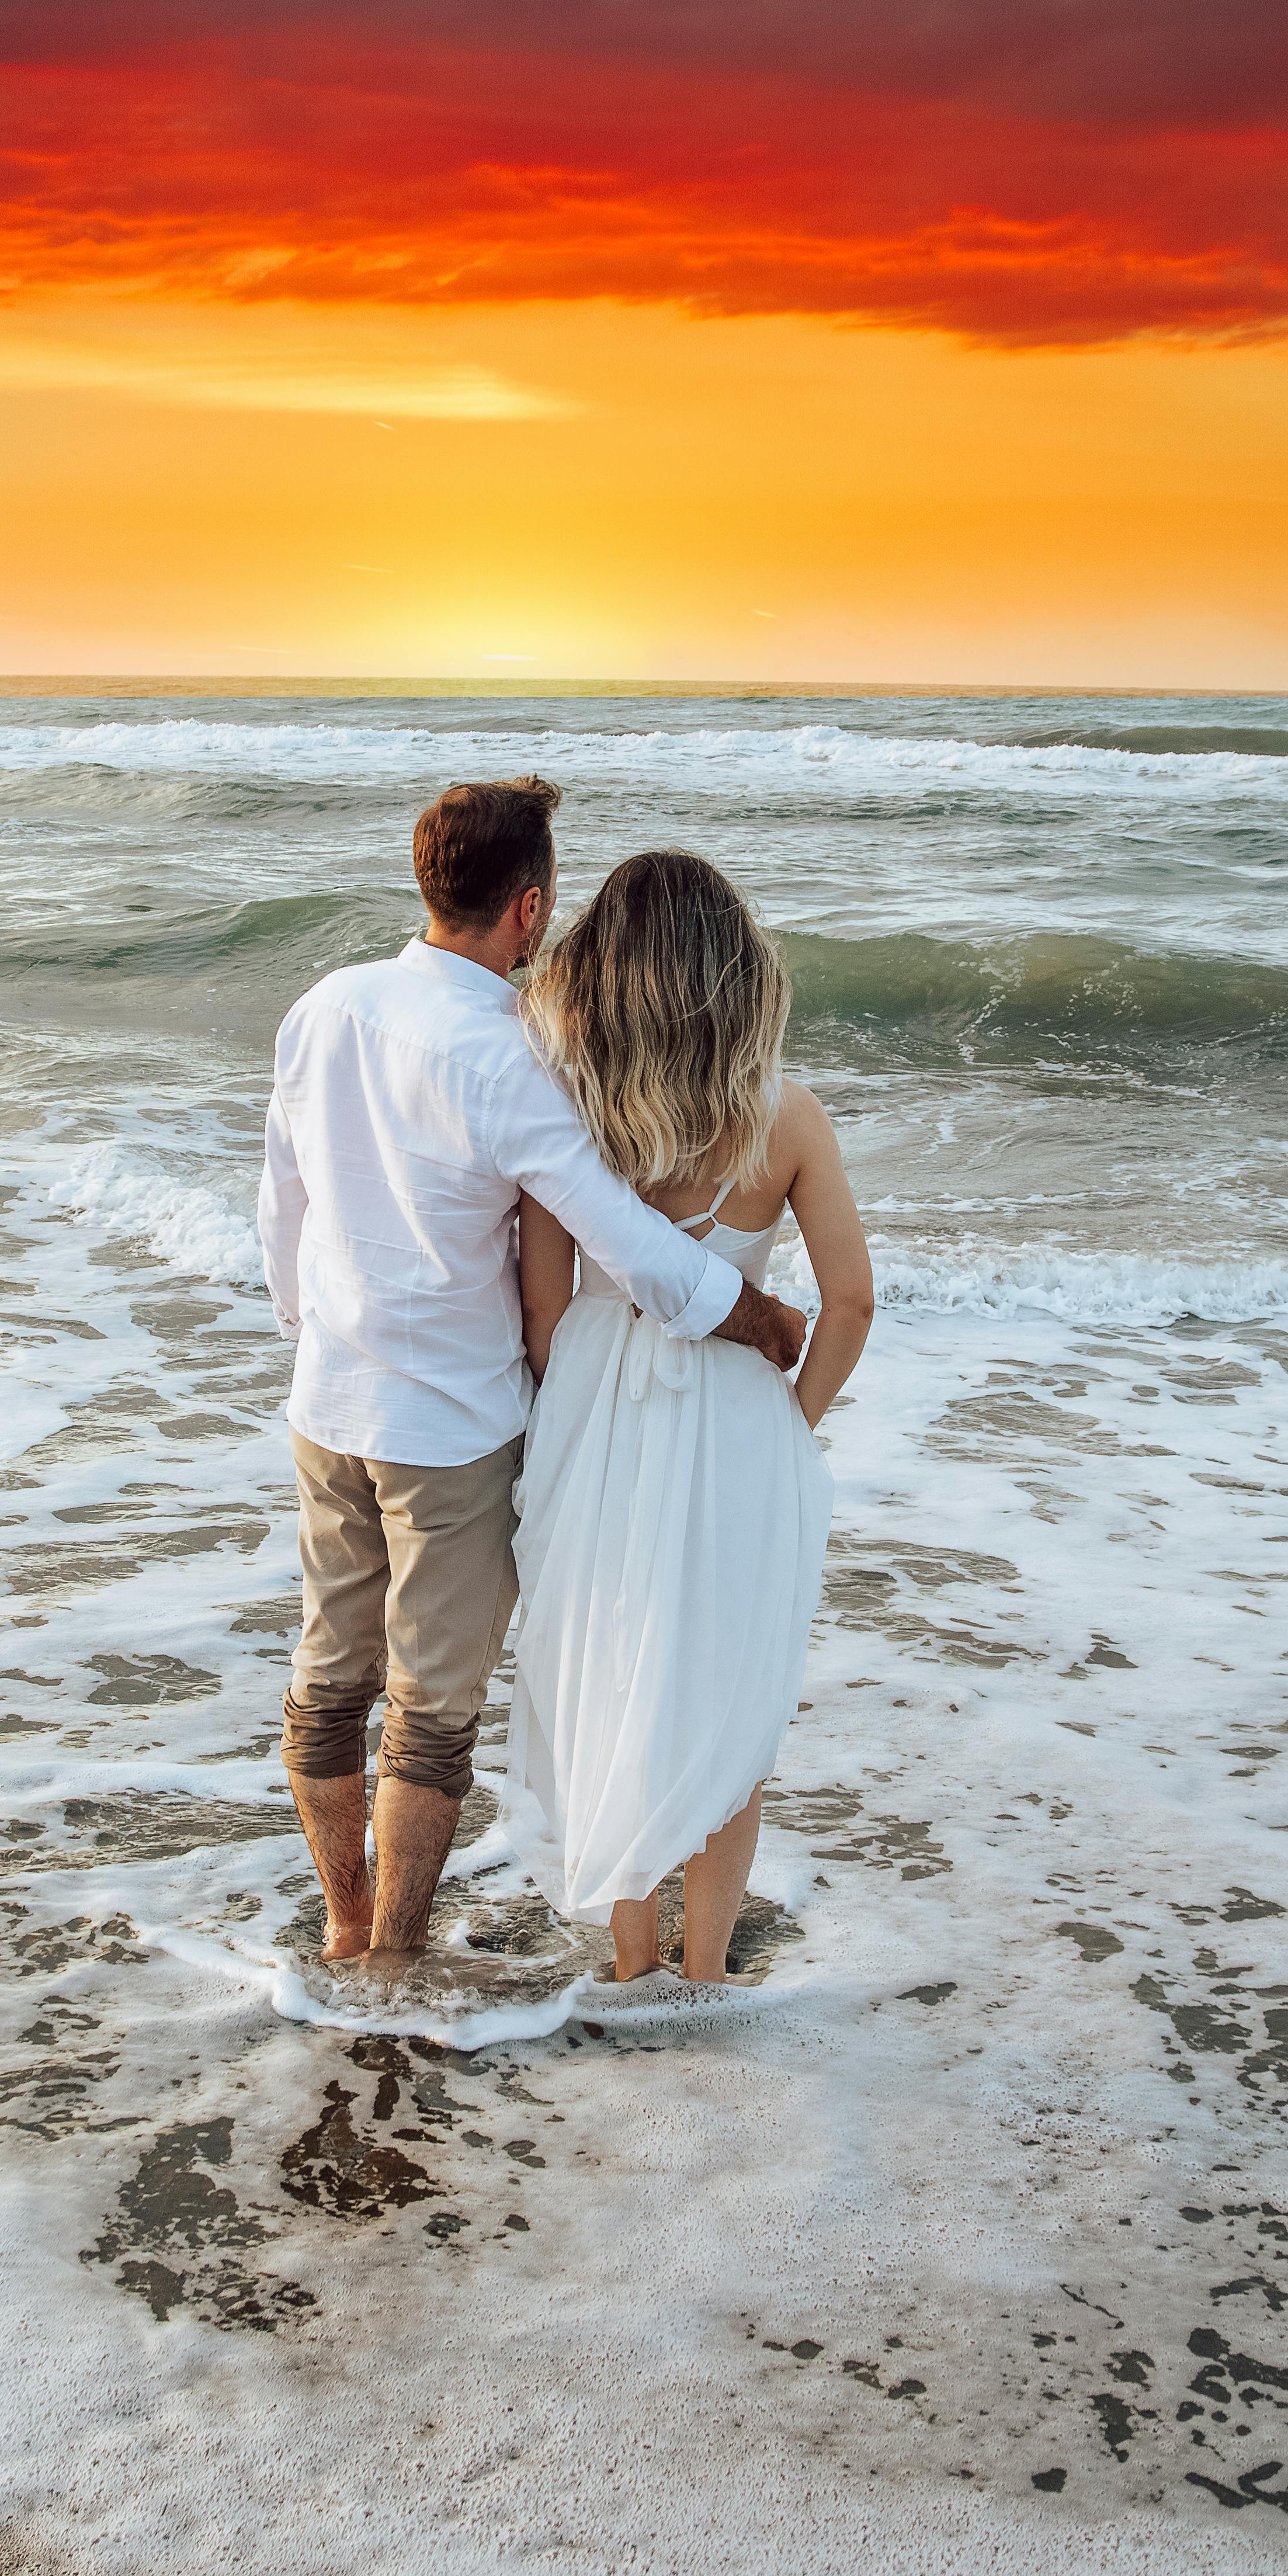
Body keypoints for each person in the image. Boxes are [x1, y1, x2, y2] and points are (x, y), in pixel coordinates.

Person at [257, 778, 807, 1967]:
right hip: (446, 1426)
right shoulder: (504, 1056)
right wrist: (748, 1313)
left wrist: (308, 1323)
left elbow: (283, 1197)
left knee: (327, 1676)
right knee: (431, 1716)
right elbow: (615, 1232)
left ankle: (344, 1926)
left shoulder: (324, 1005)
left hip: (325, 1401)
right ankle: (392, 1951)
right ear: (527, 905)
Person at [510, 850, 873, 1984]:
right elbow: (851, 1302)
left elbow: (540, 1310)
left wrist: (564, 1422)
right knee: (727, 1694)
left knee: (613, 1678)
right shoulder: (789, 1119)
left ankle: (628, 1964)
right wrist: (789, 1422)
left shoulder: (569, 1114)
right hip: (734, 1416)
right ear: (742, 974)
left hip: (597, 1409)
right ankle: (705, 1974)